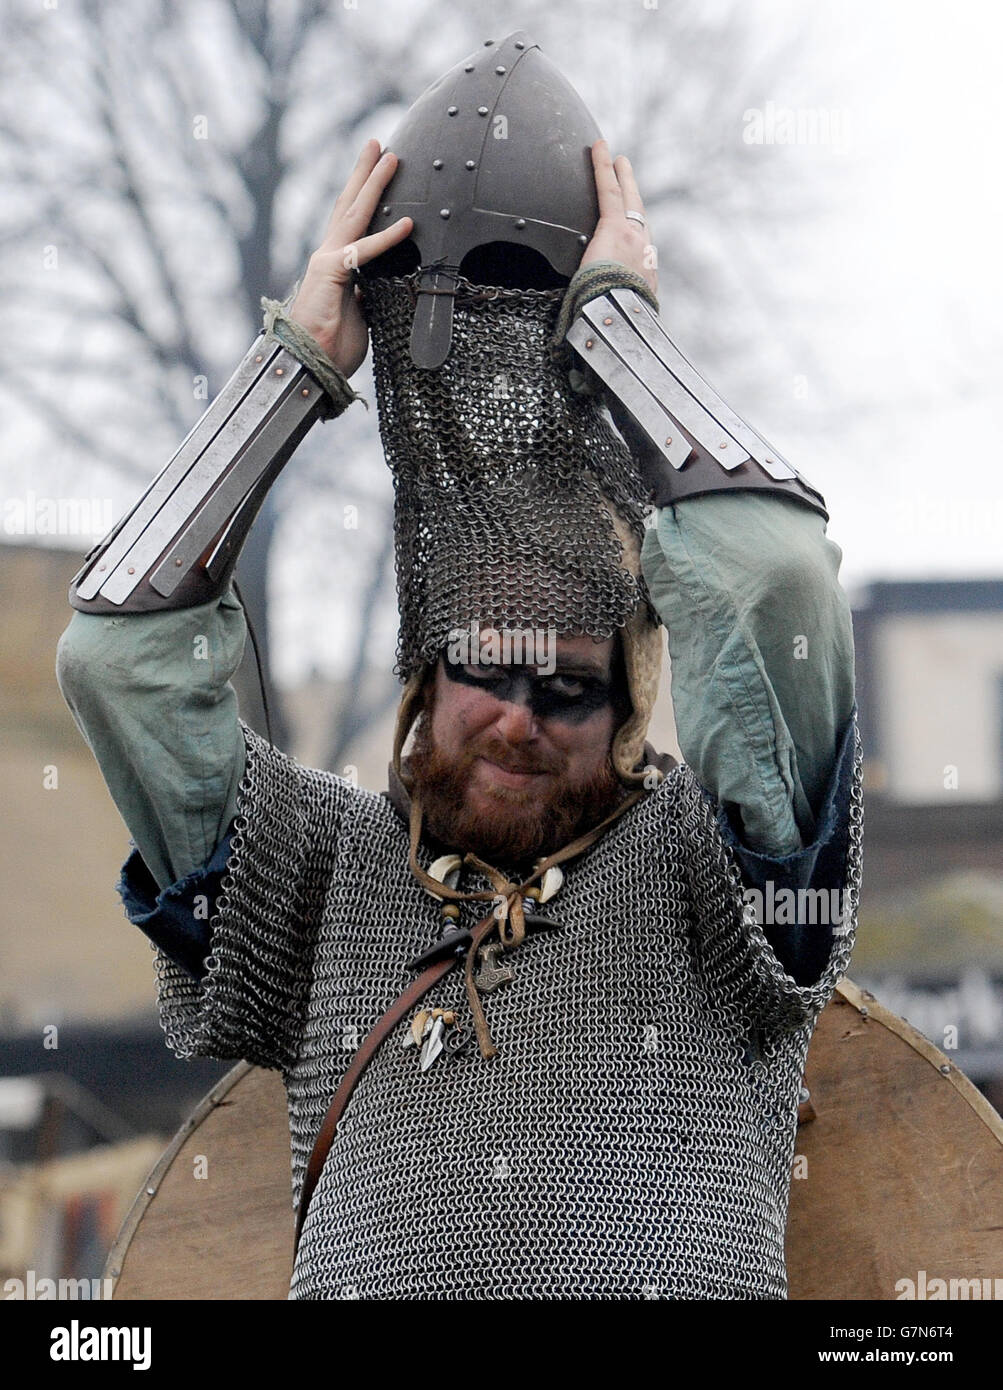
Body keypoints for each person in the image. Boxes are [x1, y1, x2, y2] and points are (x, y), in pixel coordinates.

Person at [56, 36, 860, 1300]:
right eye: (491, 666)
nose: (522, 717)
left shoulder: (719, 881)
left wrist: (615, 337)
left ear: (630, 702)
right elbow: (114, 660)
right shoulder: (319, 878)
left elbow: (775, 582)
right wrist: (296, 367)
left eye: (570, 686)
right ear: (422, 678)